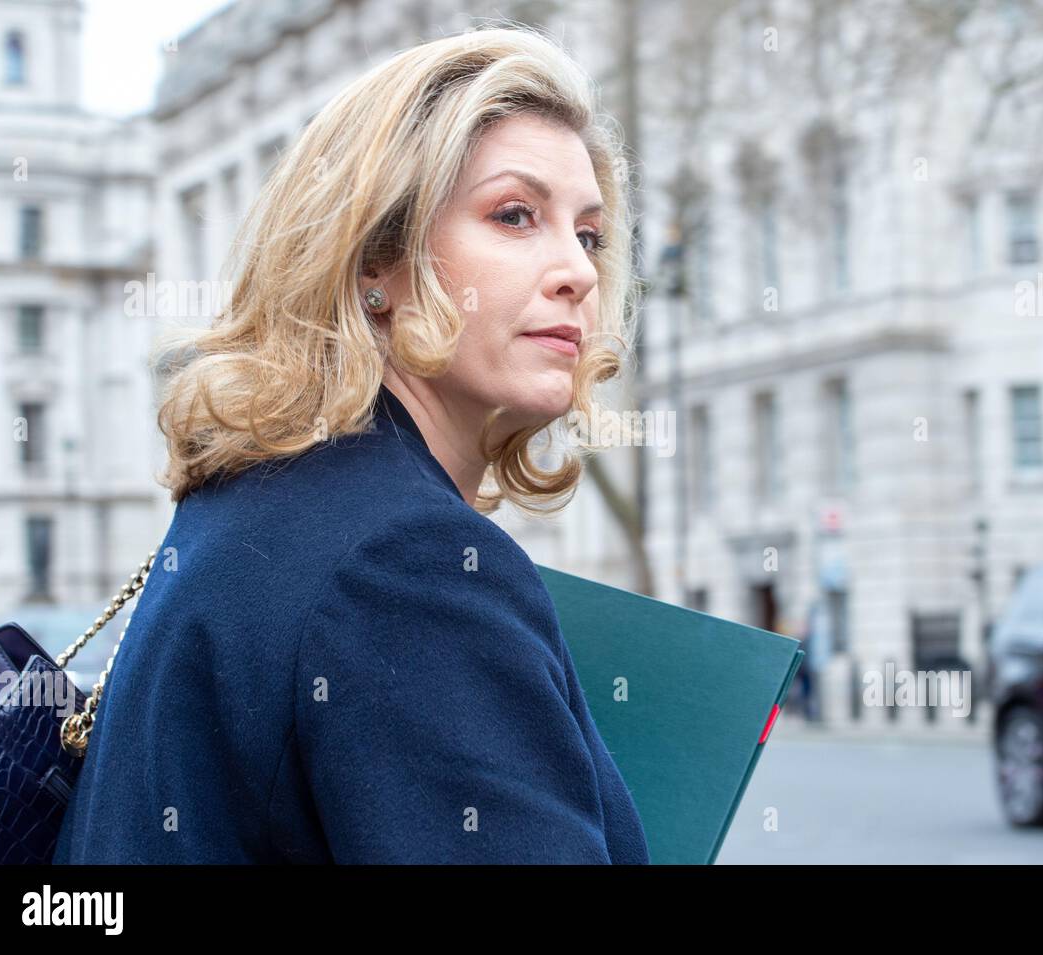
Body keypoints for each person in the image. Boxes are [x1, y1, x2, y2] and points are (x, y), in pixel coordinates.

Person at [52, 25, 649, 864]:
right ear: (376, 263)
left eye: (588, 234)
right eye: (515, 215)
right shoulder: (409, 564)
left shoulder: (256, 500)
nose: (579, 272)